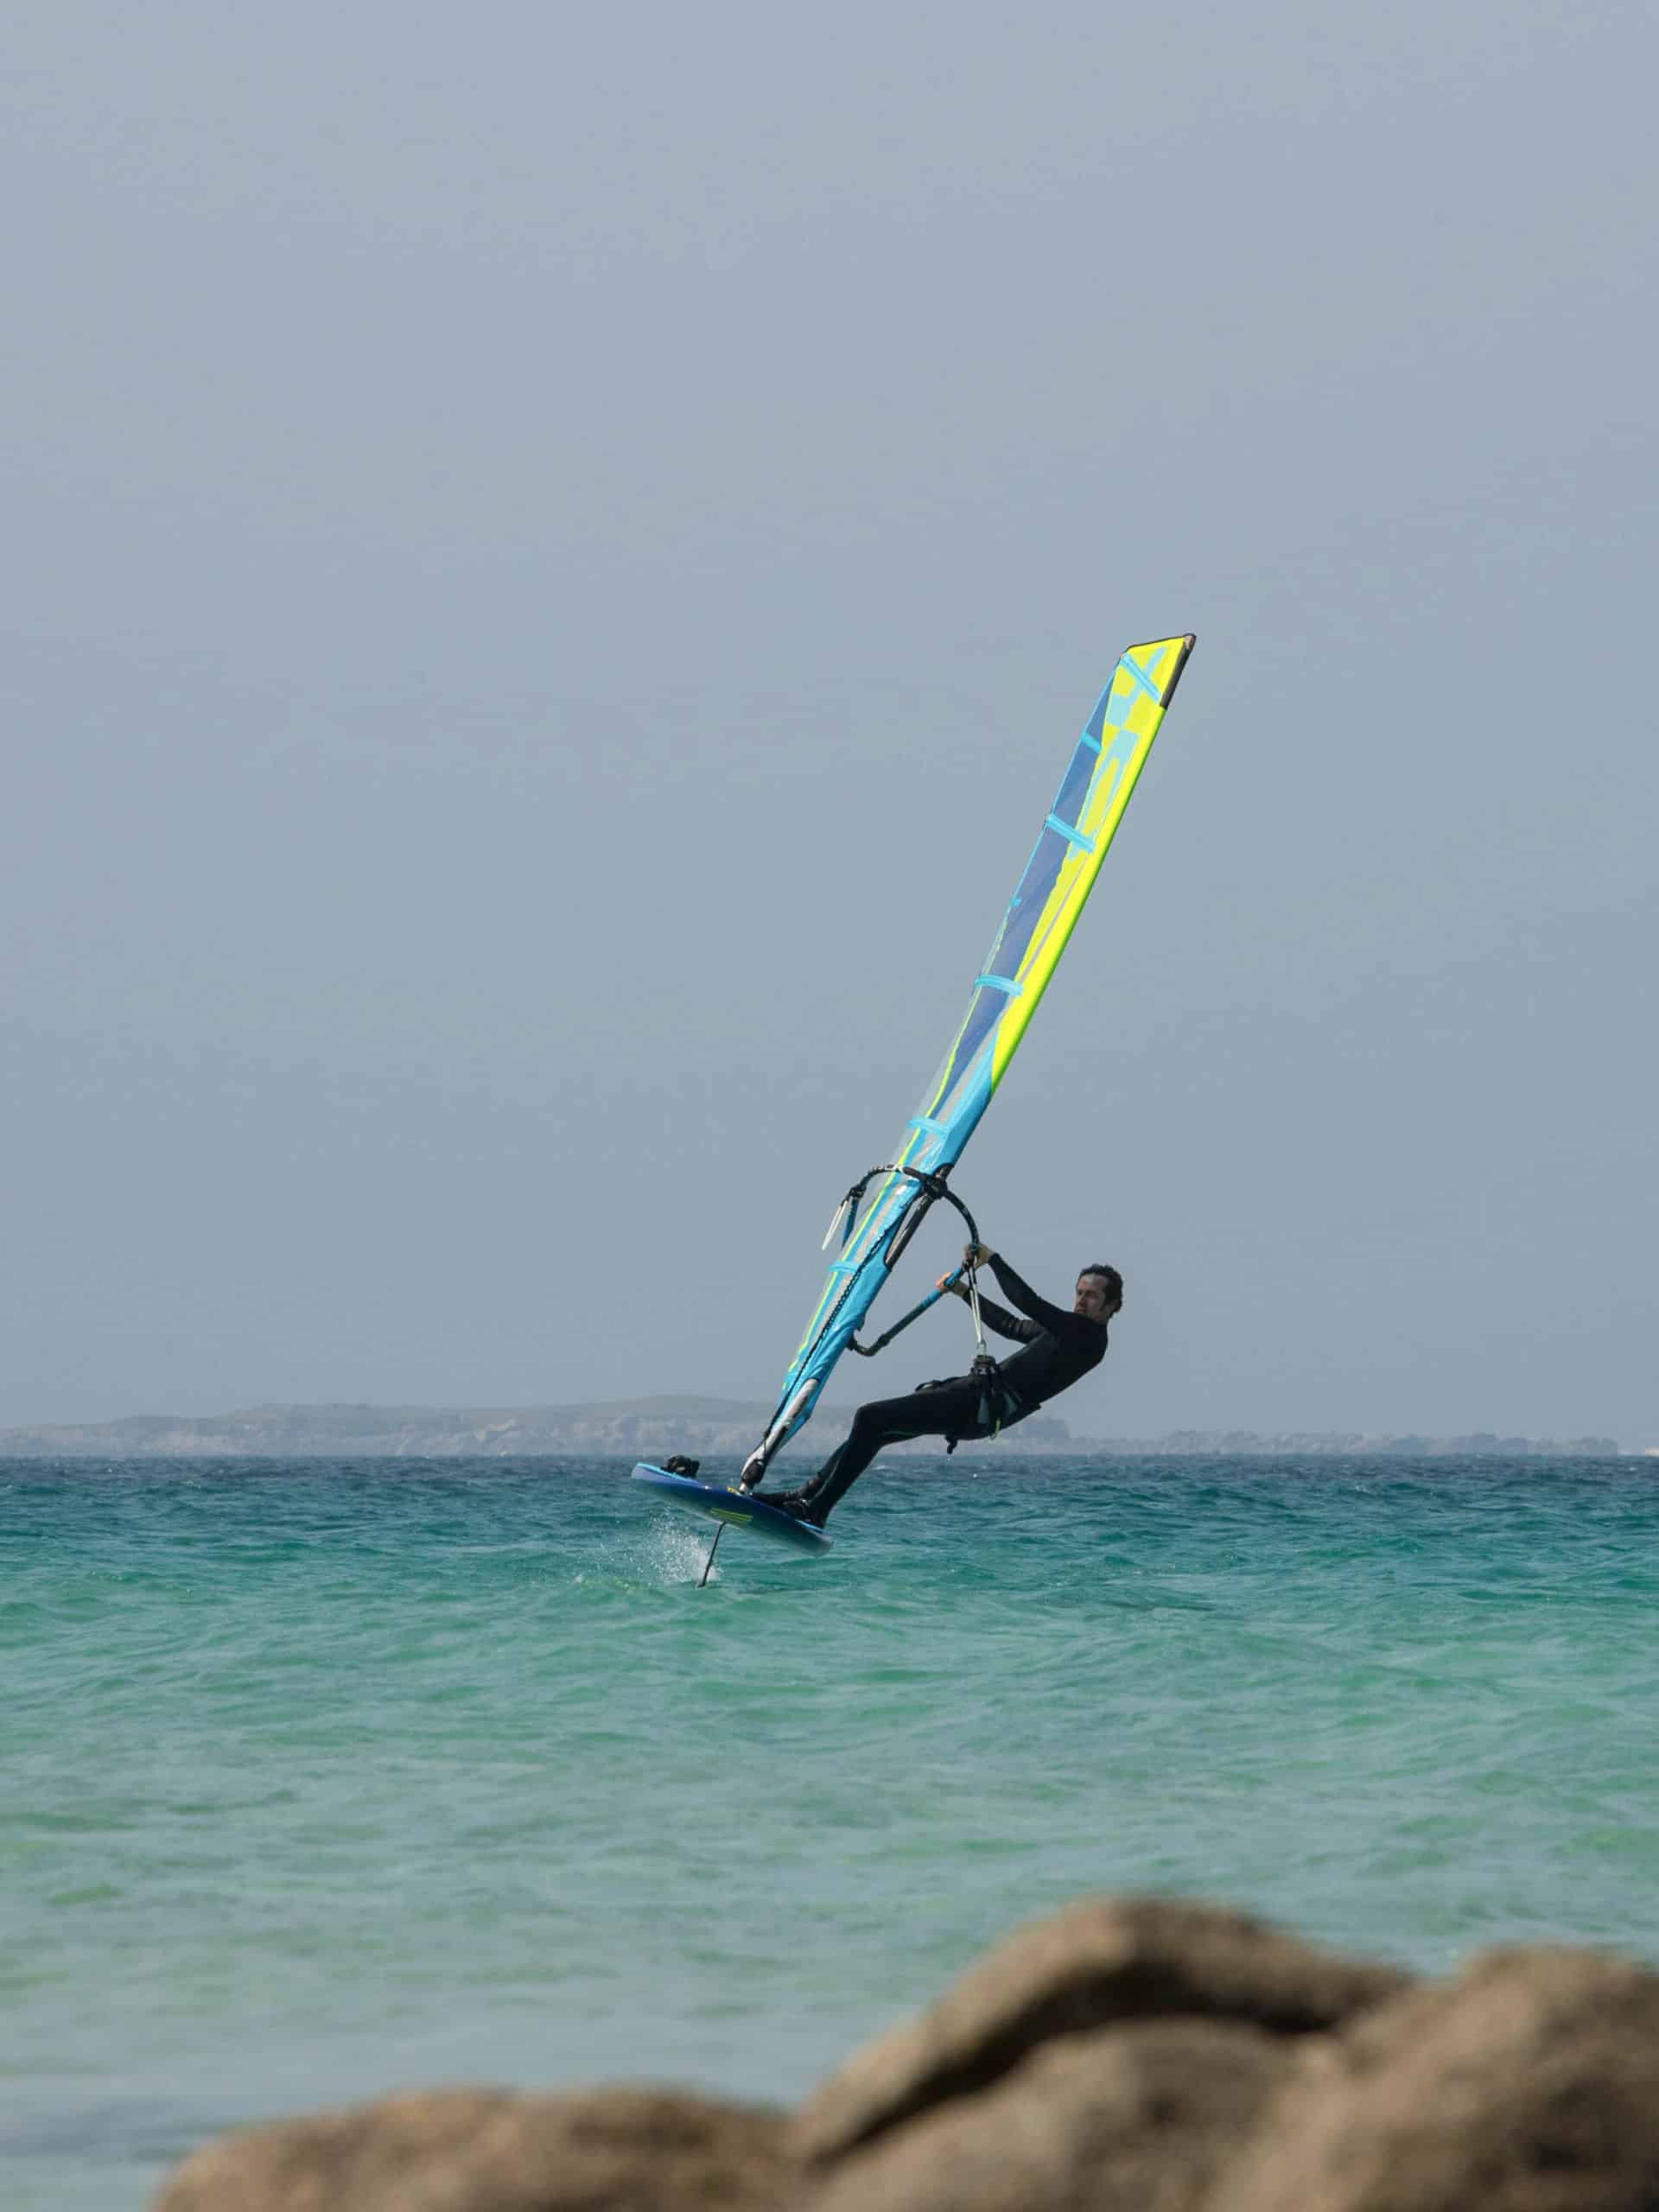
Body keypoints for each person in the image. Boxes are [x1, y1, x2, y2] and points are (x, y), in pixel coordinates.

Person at [761, 1246, 1122, 1526]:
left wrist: (993, 1260)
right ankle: (803, 1496)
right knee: (877, 1430)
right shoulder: (1066, 1328)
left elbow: (1029, 1302)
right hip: (971, 1397)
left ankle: (817, 1509)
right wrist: (964, 1292)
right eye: (1079, 1292)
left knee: (870, 1418)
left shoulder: (1088, 1338)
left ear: (1112, 1306)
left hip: (979, 1407)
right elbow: (1012, 1325)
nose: (1080, 1300)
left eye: (1091, 1296)